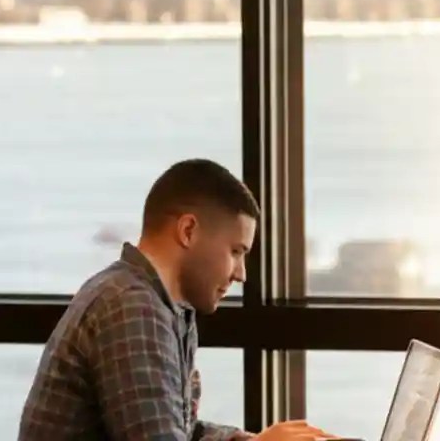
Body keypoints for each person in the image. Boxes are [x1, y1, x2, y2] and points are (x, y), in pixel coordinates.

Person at [19, 159, 333, 441]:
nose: (241, 274)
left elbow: (178, 427)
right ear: (188, 230)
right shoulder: (131, 306)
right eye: (235, 252)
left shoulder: (164, 306)